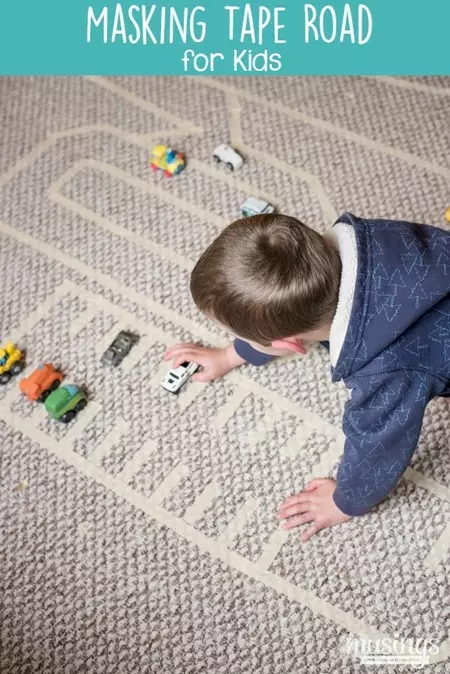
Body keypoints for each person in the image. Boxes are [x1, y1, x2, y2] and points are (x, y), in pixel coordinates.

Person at [164, 212, 450, 541]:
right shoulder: (373, 238)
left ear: (290, 345)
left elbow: (378, 448)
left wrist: (345, 502)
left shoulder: (384, 372)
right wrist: (231, 355)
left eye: (245, 339)